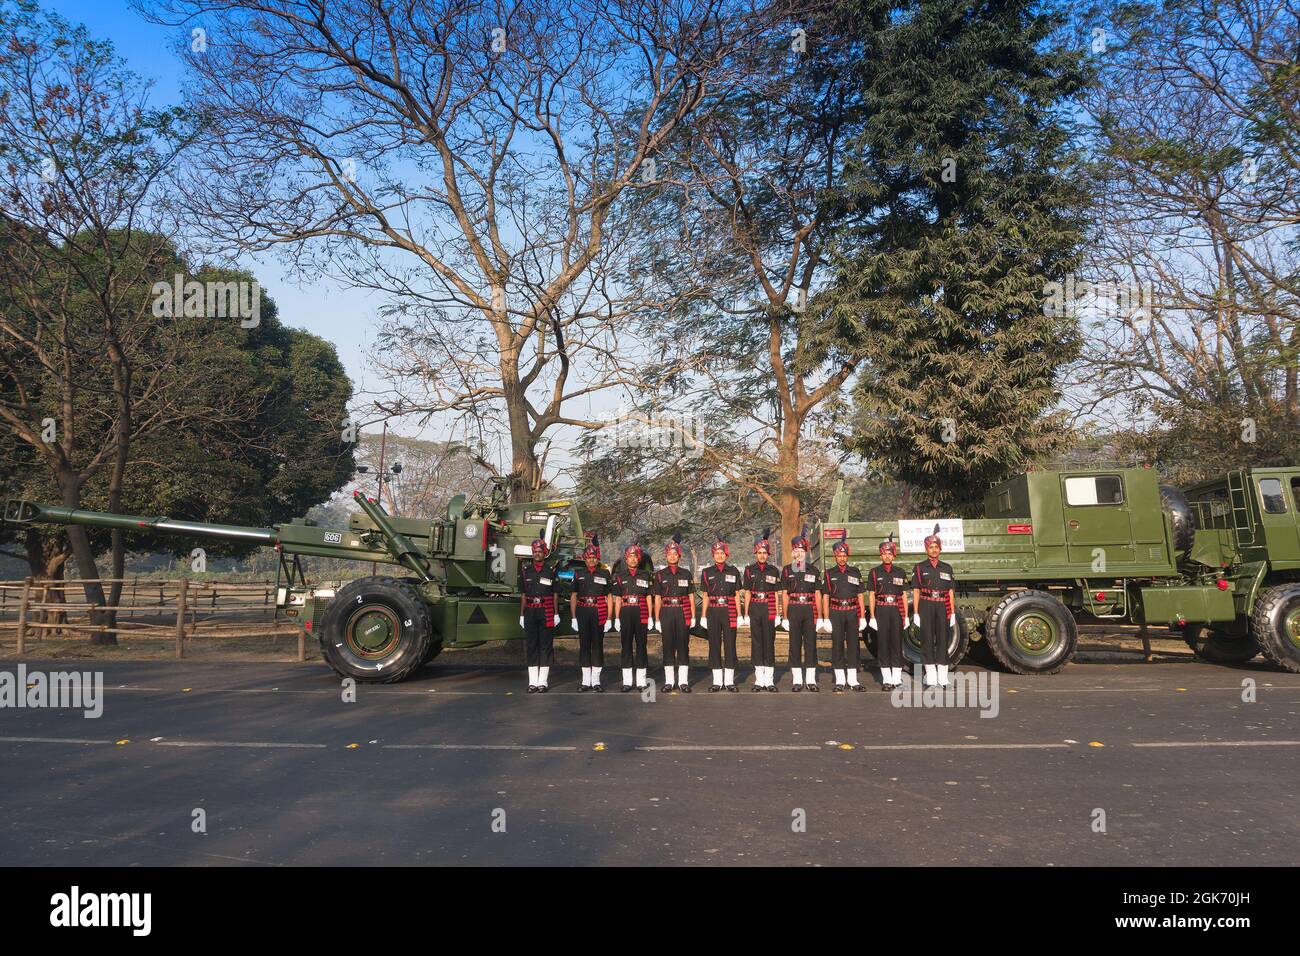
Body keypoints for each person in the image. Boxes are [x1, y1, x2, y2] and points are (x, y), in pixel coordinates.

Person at [912, 524, 958, 688]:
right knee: (927, 641)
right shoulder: (919, 568)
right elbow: (916, 591)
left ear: (940, 549)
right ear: (926, 549)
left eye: (936, 547)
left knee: (943, 640)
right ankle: (931, 676)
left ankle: (943, 677)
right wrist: (916, 613)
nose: (933, 550)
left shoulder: (947, 568)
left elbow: (951, 592)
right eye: (931, 547)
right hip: (926, 605)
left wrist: (952, 612)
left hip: (942, 606)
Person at [780, 529, 823, 691]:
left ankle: (811, 680)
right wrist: (784, 617)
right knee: (794, 645)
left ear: (806, 552)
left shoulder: (813, 571)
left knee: (811, 645)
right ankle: (797, 680)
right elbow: (784, 595)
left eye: (802, 551)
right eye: (796, 551)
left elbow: (818, 595)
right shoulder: (786, 570)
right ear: (792, 552)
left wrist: (820, 617)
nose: (799, 553)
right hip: (793, 609)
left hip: (810, 610)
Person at [700, 533, 742, 692]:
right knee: (714, 645)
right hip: (713, 612)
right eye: (717, 553)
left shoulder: (734, 571)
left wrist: (740, 615)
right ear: (713, 555)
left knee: (730, 645)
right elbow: (705, 596)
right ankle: (717, 681)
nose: (719, 555)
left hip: (730, 610)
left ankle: (729, 681)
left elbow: (737, 594)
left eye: (722, 553)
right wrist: (703, 616)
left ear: (726, 554)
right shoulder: (706, 572)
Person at [570, 536, 612, 692]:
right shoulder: (578, 573)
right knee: (584, 646)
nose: (591, 560)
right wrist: (574, 617)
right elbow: (574, 595)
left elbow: (609, 597)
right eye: (588, 557)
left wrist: (609, 618)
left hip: (599, 611)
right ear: (584, 558)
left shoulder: (605, 574)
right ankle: (585, 681)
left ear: (597, 558)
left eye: (594, 557)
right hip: (582, 611)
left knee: (598, 645)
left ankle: (596, 681)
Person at [868, 533, 909, 691]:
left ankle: (897, 679)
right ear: (881, 555)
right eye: (884, 553)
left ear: (894, 555)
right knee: (883, 644)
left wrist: (906, 615)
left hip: (896, 610)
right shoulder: (874, 572)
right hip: (881, 609)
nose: (887, 555)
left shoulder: (900, 572)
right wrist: (872, 616)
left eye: (889, 553)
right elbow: (871, 595)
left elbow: (904, 595)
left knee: (897, 644)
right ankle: (886, 679)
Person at [741, 527, 780, 692]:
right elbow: (748, 593)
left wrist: (778, 613)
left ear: (768, 554)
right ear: (755, 554)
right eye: (759, 552)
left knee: (769, 643)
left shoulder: (774, 570)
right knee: (757, 643)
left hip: (769, 608)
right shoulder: (749, 570)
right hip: (755, 608)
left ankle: (769, 680)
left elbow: (776, 593)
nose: (762, 555)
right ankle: (759, 680)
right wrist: (746, 613)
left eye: (764, 552)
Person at [824, 540, 866, 692]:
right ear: (835, 556)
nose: (842, 558)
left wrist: (862, 616)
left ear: (847, 556)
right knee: (838, 645)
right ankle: (840, 680)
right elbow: (826, 597)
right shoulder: (829, 574)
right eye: (839, 555)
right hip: (836, 612)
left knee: (854, 645)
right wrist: (826, 617)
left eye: (844, 555)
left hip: (853, 612)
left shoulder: (855, 572)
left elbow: (860, 595)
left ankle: (853, 680)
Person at [655, 532, 695, 693]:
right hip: (666, 612)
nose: (672, 557)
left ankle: (683, 681)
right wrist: (657, 619)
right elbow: (657, 598)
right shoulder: (660, 575)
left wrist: (692, 615)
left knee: (683, 646)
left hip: (682, 611)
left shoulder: (686, 573)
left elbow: (691, 596)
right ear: (666, 556)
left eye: (675, 554)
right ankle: (670, 681)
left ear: (679, 556)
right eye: (669, 554)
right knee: (668, 646)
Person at [612, 543, 653, 692]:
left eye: (635, 557)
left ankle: (641, 681)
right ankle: (628, 681)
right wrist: (616, 618)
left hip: (641, 613)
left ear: (639, 559)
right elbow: (617, 599)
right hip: (625, 612)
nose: (633, 559)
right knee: (626, 646)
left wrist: (649, 617)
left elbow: (649, 598)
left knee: (642, 646)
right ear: (626, 559)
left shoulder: (645, 575)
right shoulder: (620, 577)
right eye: (630, 557)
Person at [518, 536, 557, 693]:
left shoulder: (551, 571)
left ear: (545, 553)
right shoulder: (525, 571)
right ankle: (532, 682)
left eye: (540, 551)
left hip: (546, 610)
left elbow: (555, 594)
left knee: (545, 645)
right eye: (534, 551)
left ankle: (543, 682)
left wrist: (556, 613)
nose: (537, 554)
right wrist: (522, 615)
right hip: (530, 611)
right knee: (532, 645)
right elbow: (523, 595)